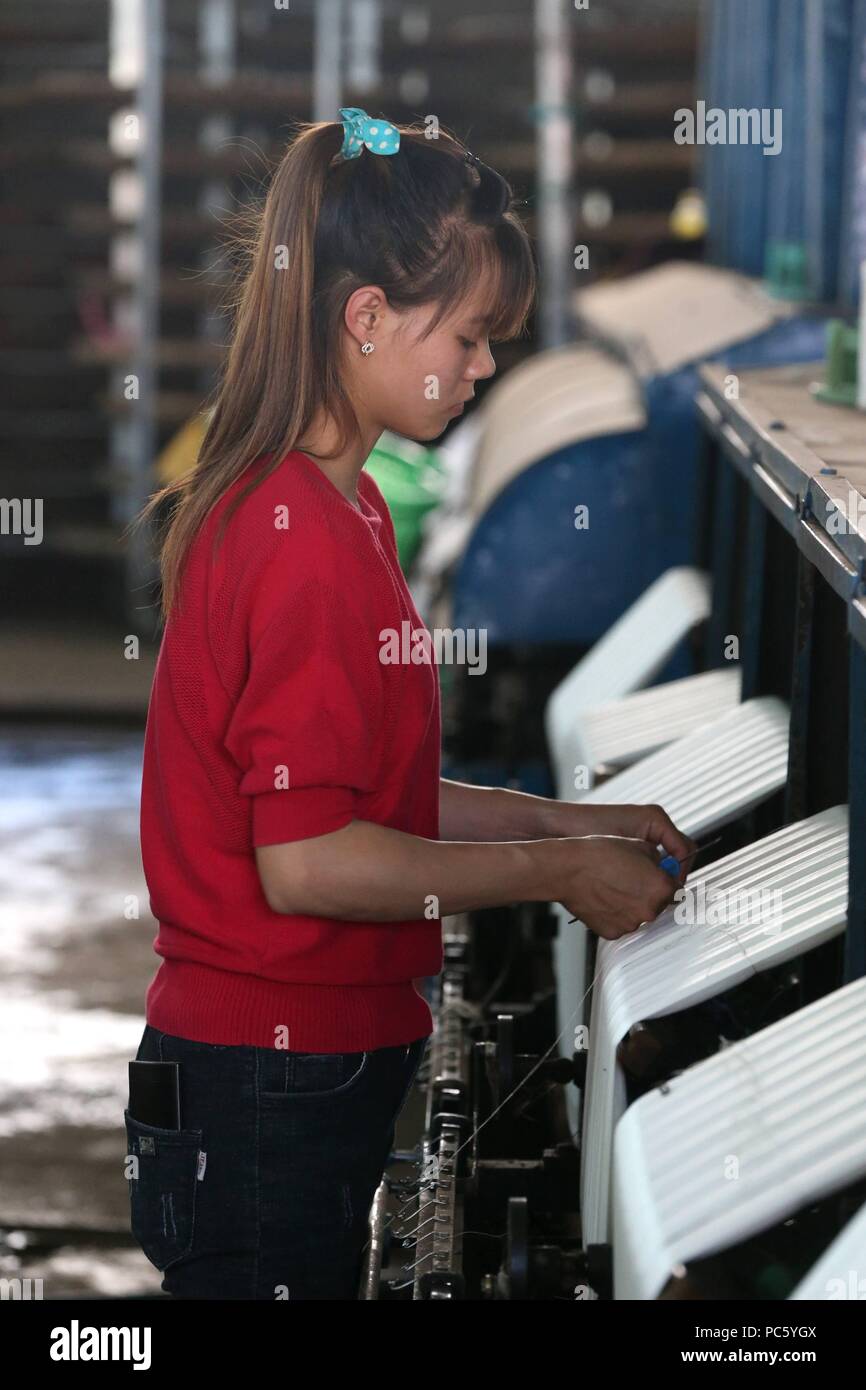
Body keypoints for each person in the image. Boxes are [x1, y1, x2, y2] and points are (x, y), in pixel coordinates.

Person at [123, 108, 694, 1300]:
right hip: (261, 1090)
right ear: (367, 318)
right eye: (474, 337)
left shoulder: (343, 508)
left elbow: (367, 797)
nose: (487, 369)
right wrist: (553, 878)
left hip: (281, 1075)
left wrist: (564, 828)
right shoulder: (303, 542)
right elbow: (312, 862)